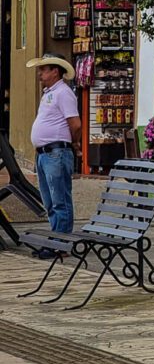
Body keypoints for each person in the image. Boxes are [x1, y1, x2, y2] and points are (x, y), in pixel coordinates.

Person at [26, 53, 81, 250]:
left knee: (60, 200)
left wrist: (75, 143)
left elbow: (75, 124)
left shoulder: (63, 93)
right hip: (45, 154)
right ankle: (56, 239)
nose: (40, 73)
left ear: (55, 71)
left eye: (43, 69)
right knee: (50, 201)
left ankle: (61, 244)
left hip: (56, 152)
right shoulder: (49, 92)